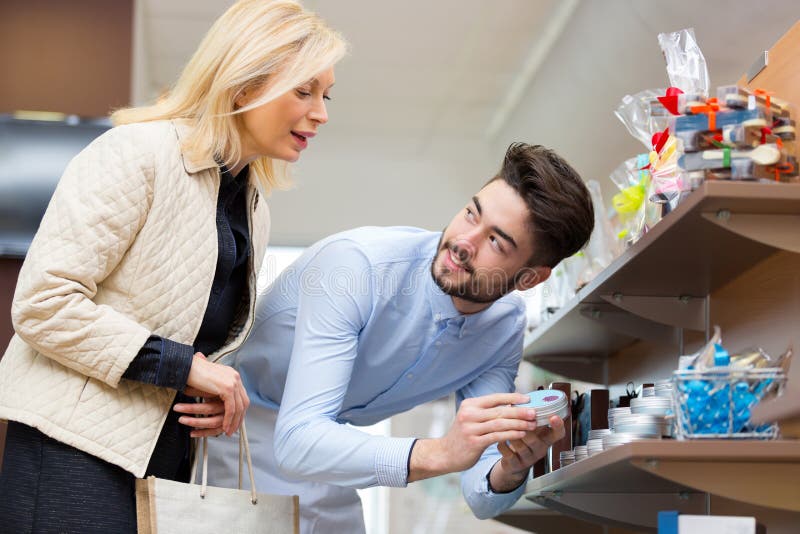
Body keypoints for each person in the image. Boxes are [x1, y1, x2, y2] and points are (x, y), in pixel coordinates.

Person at [0, 1, 346, 532]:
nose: (321, 112)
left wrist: (202, 388)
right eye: (304, 90)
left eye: (325, 95)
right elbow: (43, 305)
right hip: (73, 453)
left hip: (161, 466)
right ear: (243, 83)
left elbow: (182, 334)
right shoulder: (136, 153)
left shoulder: (254, 208)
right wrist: (186, 368)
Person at [199, 142, 595, 533]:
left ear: (530, 277)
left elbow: (481, 492)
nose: (463, 242)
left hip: (332, 447)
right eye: (472, 214)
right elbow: (297, 442)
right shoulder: (357, 267)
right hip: (238, 436)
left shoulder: (502, 328)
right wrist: (440, 452)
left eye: (495, 241)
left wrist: (509, 468)